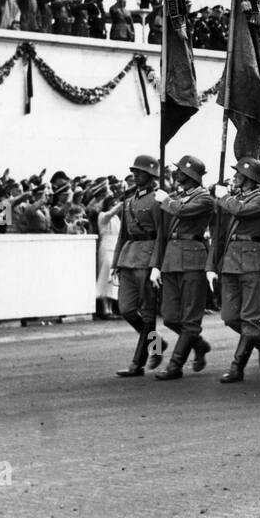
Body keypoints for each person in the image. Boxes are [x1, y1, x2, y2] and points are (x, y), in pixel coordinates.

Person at [211, 156, 260, 383]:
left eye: (238, 174)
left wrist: (223, 196)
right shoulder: (232, 197)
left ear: (248, 178)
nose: (234, 176)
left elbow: (240, 211)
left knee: (249, 319)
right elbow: (219, 231)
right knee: (229, 317)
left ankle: (237, 367)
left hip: (252, 261)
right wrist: (213, 265)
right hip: (230, 260)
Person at [151, 155, 215, 380]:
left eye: (179, 171)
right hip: (171, 258)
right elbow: (163, 231)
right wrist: (156, 265)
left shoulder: (204, 198)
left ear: (189, 175)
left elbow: (182, 211)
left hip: (192, 258)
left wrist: (165, 201)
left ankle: (175, 365)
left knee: (190, 318)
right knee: (169, 316)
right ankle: (198, 345)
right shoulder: (175, 197)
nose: (174, 173)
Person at [111, 155, 166, 377]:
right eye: (134, 171)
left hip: (146, 257)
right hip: (128, 257)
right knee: (126, 309)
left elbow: (161, 235)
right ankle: (157, 344)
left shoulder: (157, 200)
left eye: (140, 172)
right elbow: (123, 235)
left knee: (147, 314)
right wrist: (116, 262)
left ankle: (137, 364)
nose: (135, 175)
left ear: (151, 176)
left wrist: (156, 264)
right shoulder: (128, 201)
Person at [95, 189, 121, 316]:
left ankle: (110, 308)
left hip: (115, 248)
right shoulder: (103, 215)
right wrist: (121, 204)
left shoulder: (117, 219)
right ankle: (105, 308)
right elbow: (110, 213)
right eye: (112, 204)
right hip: (106, 248)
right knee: (105, 278)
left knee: (112, 279)